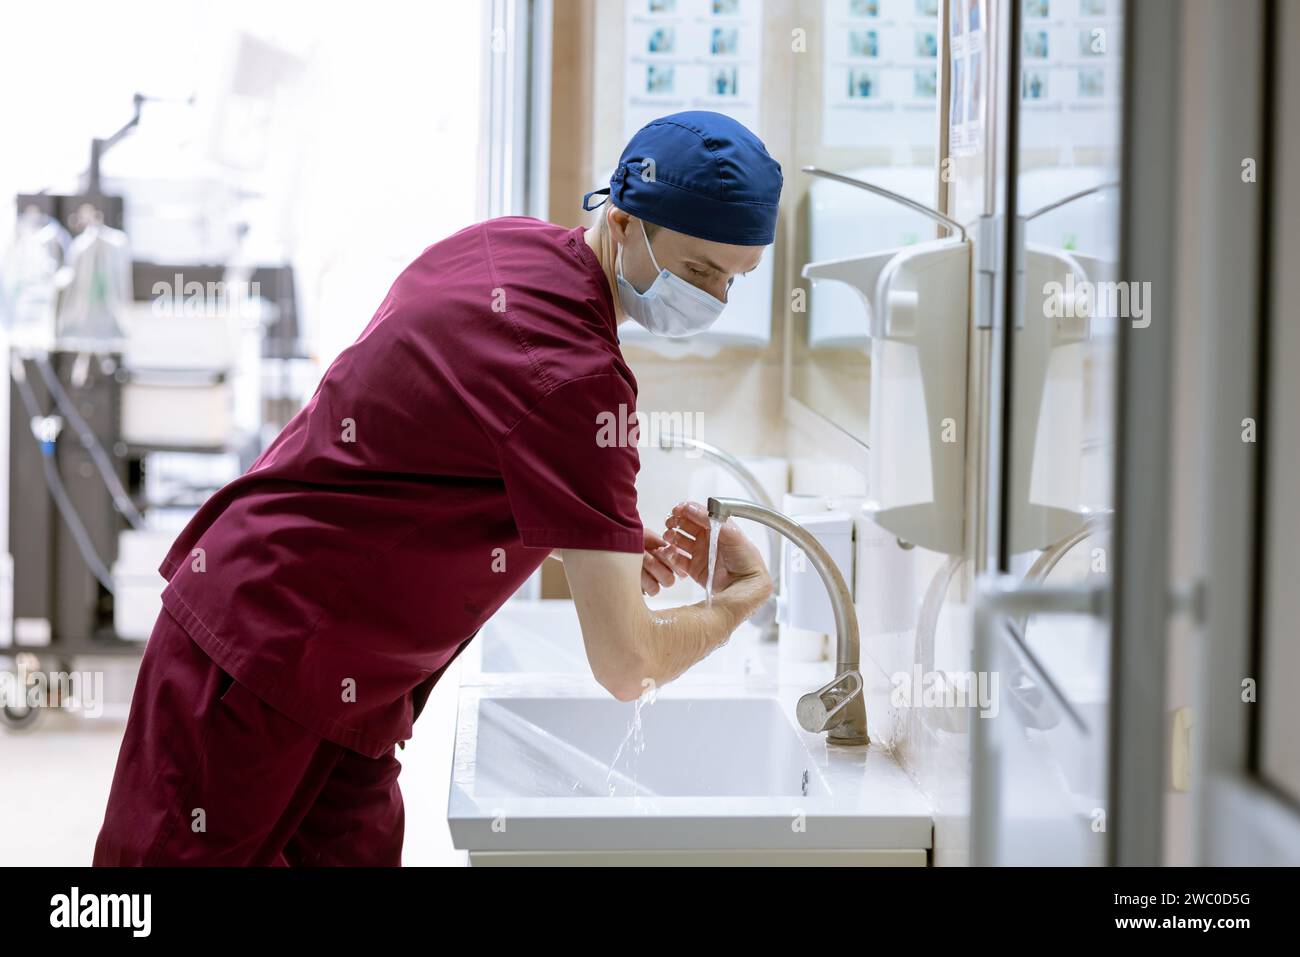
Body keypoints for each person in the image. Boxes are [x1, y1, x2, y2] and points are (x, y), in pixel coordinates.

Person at [93, 110, 782, 866]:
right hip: (258, 651)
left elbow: (427, 442)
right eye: (700, 270)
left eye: (735, 278)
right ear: (623, 221)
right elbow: (630, 665)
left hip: (348, 687)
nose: (716, 296)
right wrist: (739, 598)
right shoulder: (584, 382)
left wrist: (583, 537)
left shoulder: (503, 243)